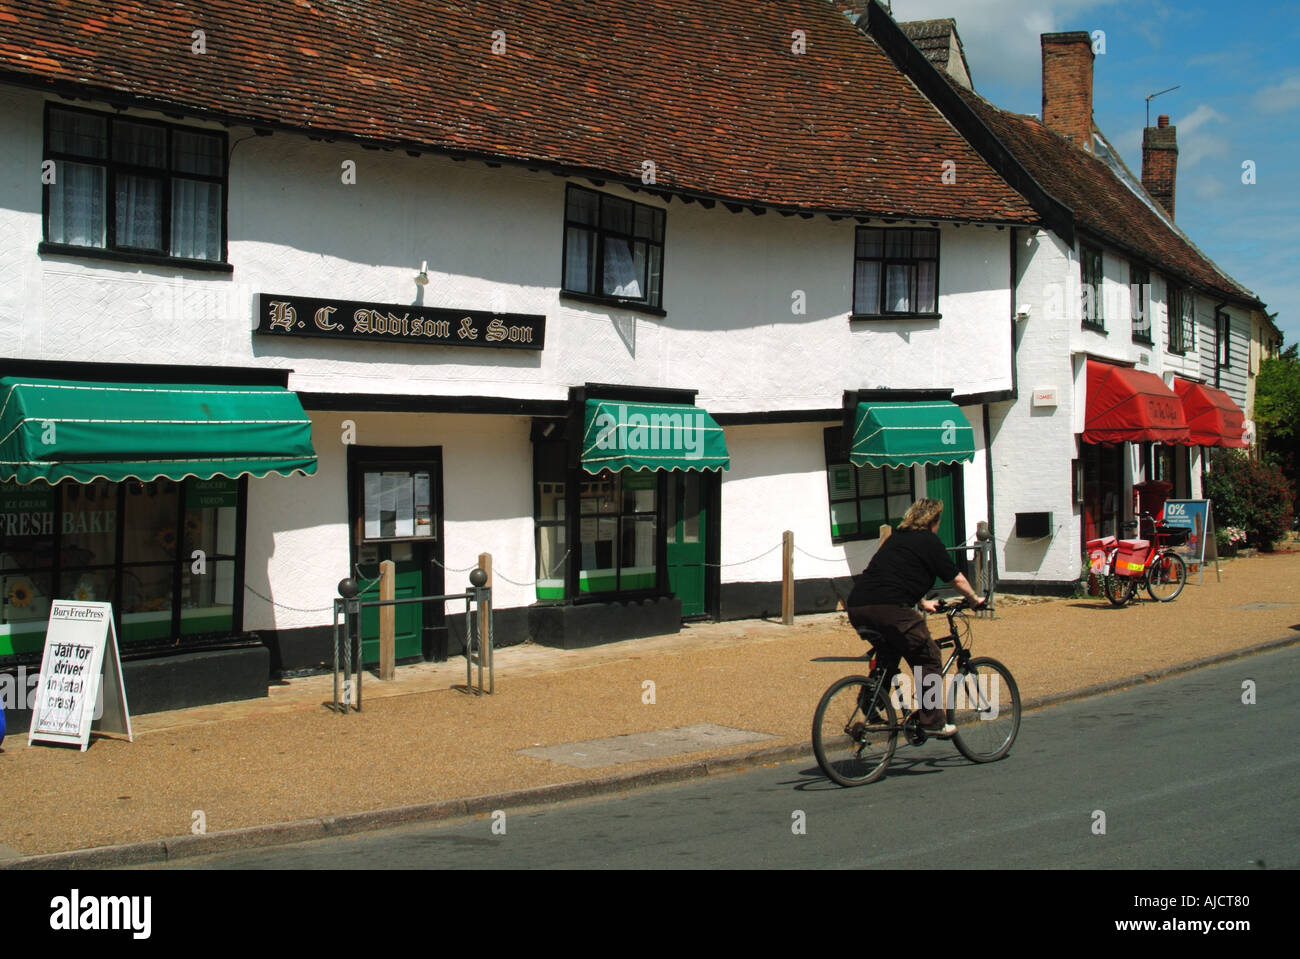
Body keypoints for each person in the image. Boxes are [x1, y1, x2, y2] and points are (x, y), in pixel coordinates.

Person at [845, 498, 986, 737]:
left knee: (890, 651)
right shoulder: (929, 542)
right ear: (933, 521)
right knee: (928, 656)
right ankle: (932, 721)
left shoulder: (896, 539)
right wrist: (974, 599)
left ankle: (871, 701)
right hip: (888, 609)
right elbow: (956, 579)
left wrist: (922, 602)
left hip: (858, 606)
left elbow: (894, 575)